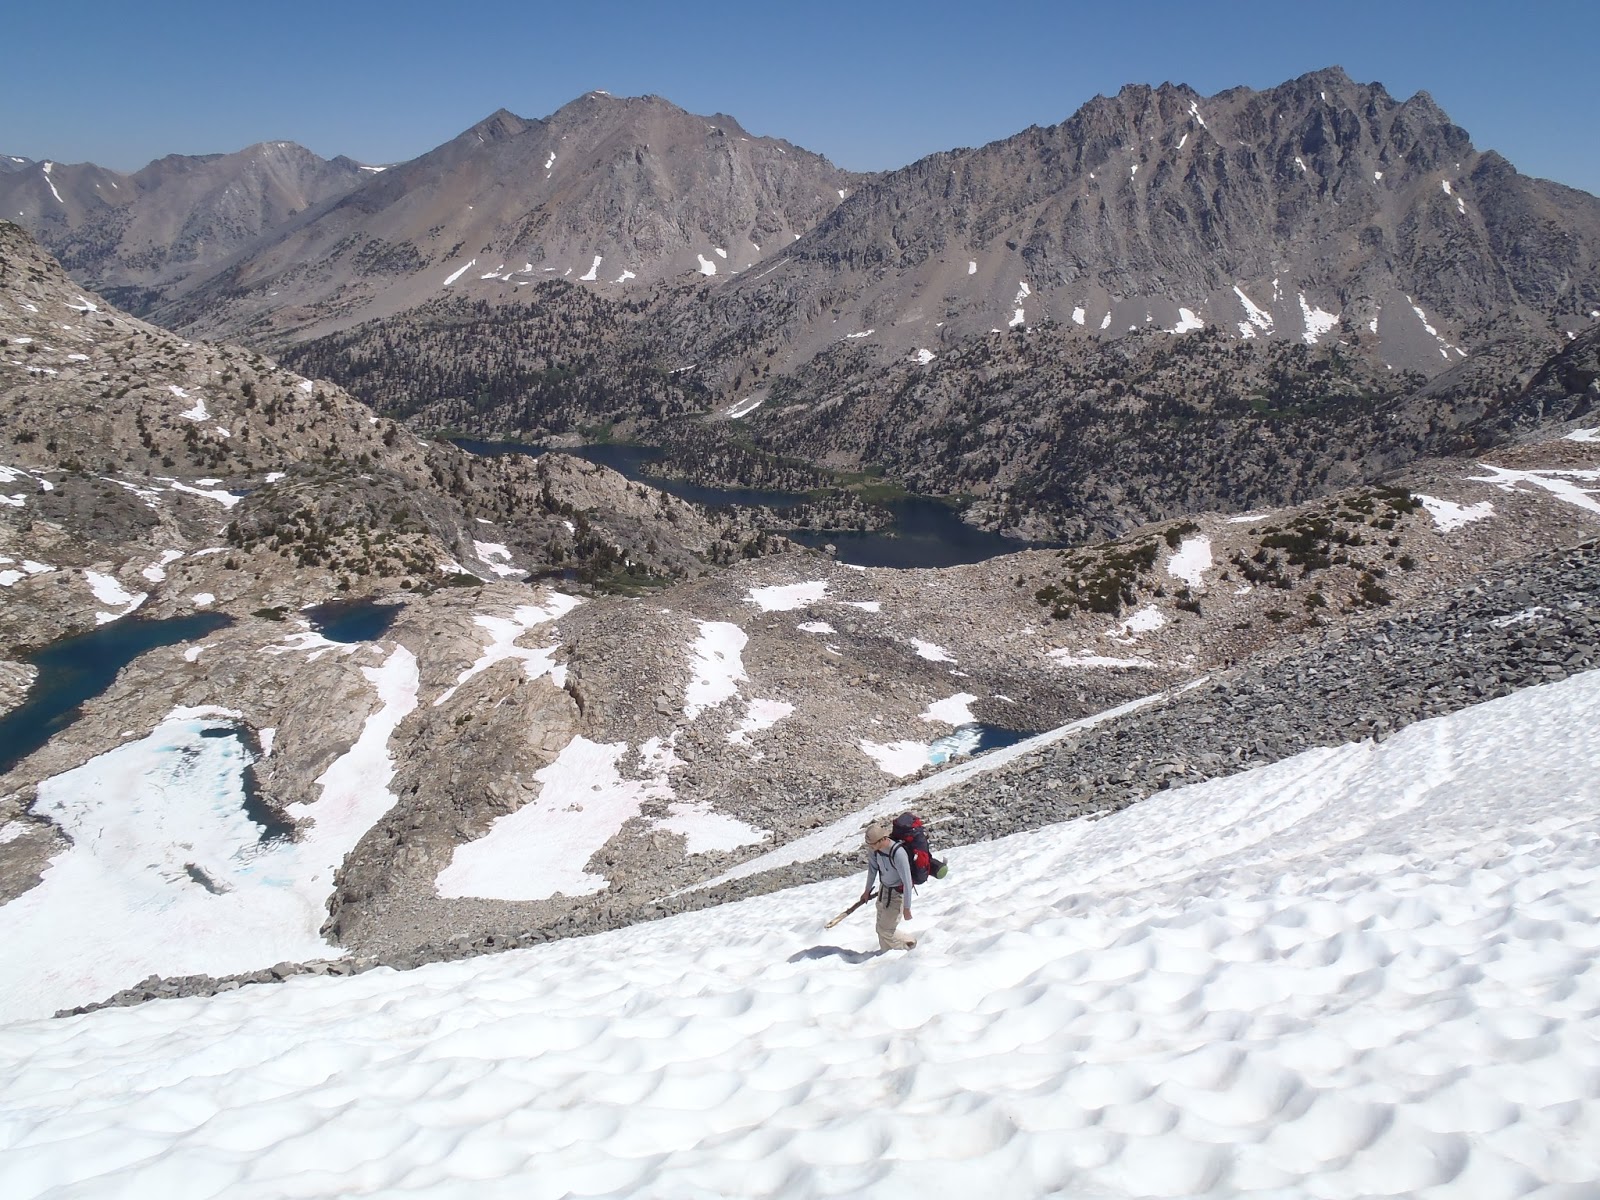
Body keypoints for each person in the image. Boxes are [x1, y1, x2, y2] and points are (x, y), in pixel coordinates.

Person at [861, 822, 917, 950]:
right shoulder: (874, 850)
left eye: (872, 844)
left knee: (885, 930)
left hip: (897, 895)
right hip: (883, 891)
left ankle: (910, 944)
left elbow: (907, 882)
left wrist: (907, 908)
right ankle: (886, 957)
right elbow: (872, 870)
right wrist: (867, 890)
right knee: (880, 929)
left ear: (882, 839)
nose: (870, 847)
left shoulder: (898, 853)